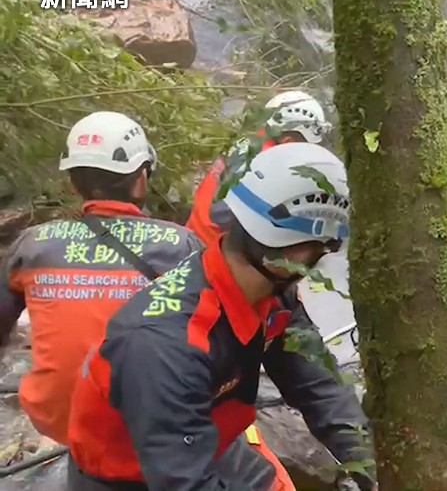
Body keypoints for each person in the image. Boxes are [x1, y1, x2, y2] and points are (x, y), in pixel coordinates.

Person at [66, 142, 374, 491]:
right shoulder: (166, 345)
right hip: (129, 476)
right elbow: (184, 483)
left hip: (214, 442)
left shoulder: (272, 295)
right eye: (323, 247)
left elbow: (319, 389)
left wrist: (372, 469)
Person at [0, 111, 202, 445]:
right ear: (141, 177)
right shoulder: (182, 245)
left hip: (57, 418)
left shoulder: (31, 245)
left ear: (71, 182)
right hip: (148, 423)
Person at [187, 90, 332, 248]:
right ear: (287, 141)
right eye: (304, 147)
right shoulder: (264, 165)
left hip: (194, 230)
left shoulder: (253, 141)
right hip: (208, 245)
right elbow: (223, 214)